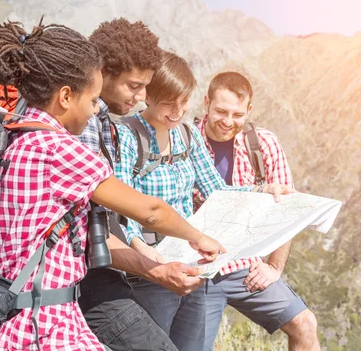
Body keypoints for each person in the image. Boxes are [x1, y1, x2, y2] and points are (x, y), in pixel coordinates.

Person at [0, 19, 224, 351]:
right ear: (66, 96)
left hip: (16, 318)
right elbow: (150, 211)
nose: (96, 108)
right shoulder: (60, 149)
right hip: (42, 325)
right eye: (93, 100)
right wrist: (198, 237)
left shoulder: (20, 135)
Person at [114, 53, 292, 351]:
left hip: (193, 264)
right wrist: (143, 252)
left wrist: (262, 193)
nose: (177, 112)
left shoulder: (186, 135)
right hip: (151, 268)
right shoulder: (126, 135)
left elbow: (216, 190)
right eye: (168, 103)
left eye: (184, 103)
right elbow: (122, 204)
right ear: (149, 96)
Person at [77, 18, 208, 351]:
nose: (142, 96)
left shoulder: (104, 122)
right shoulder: (87, 124)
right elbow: (136, 212)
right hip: (79, 275)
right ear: (103, 71)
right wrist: (184, 247)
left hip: (96, 266)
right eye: (134, 86)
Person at [195, 72, 320, 351]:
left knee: (305, 324)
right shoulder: (187, 142)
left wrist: (274, 267)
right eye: (221, 111)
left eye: (237, 114)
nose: (228, 121)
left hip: (244, 266)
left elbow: (286, 208)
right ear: (206, 103)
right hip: (201, 268)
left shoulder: (263, 144)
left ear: (249, 110)